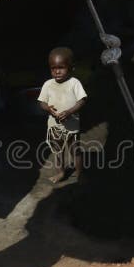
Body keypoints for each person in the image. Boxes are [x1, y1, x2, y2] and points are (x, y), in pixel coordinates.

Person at [37, 47, 87, 183]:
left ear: (71, 68)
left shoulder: (74, 83)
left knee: (74, 150)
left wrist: (70, 111)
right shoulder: (48, 84)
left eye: (61, 67)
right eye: (53, 68)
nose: (57, 71)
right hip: (54, 126)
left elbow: (82, 100)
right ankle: (60, 173)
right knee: (57, 151)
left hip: (71, 124)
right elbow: (41, 102)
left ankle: (79, 172)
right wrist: (48, 108)